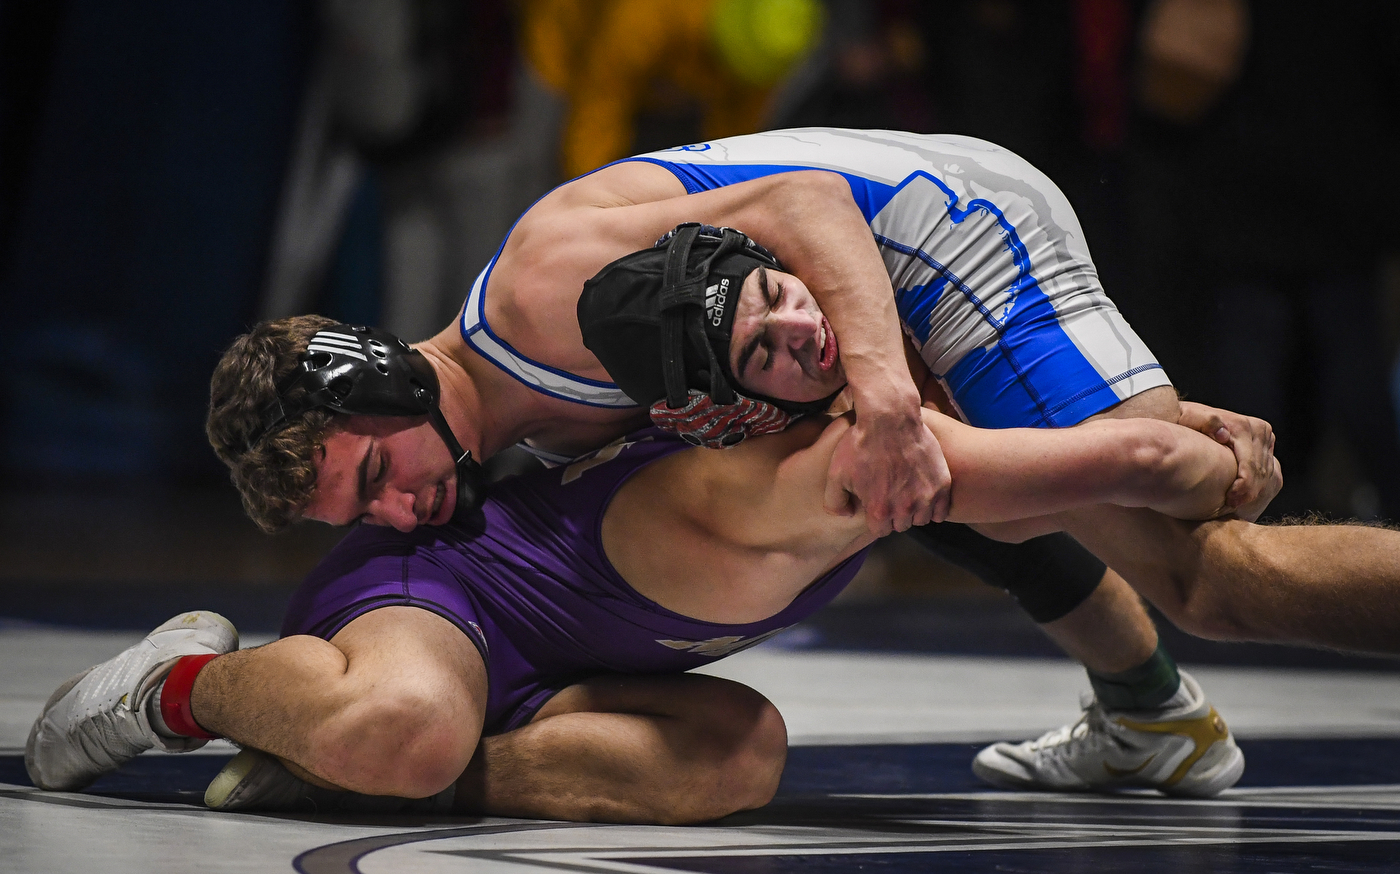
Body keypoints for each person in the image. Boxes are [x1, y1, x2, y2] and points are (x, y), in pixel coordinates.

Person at [203, 129, 1255, 792]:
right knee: (932, 494)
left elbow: (806, 205)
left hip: (925, 229)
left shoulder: (546, 295)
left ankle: (1149, 698)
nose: (396, 510)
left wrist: (888, 389)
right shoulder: (541, 424)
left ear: (387, 379)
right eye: (362, 513)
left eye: (373, 477)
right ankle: (1145, 703)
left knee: (1175, 563)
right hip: (845, 300)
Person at [29, 377, 1273, 821]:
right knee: (402, 726)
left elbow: (1030, 545)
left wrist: (1144, 691)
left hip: (552, 663)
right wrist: (1188, 446)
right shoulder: (834, 467)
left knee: (741, 756)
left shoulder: (873, 460)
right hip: (445, 596)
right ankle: (177, 684)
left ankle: (356, 767)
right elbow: (1096, 473)